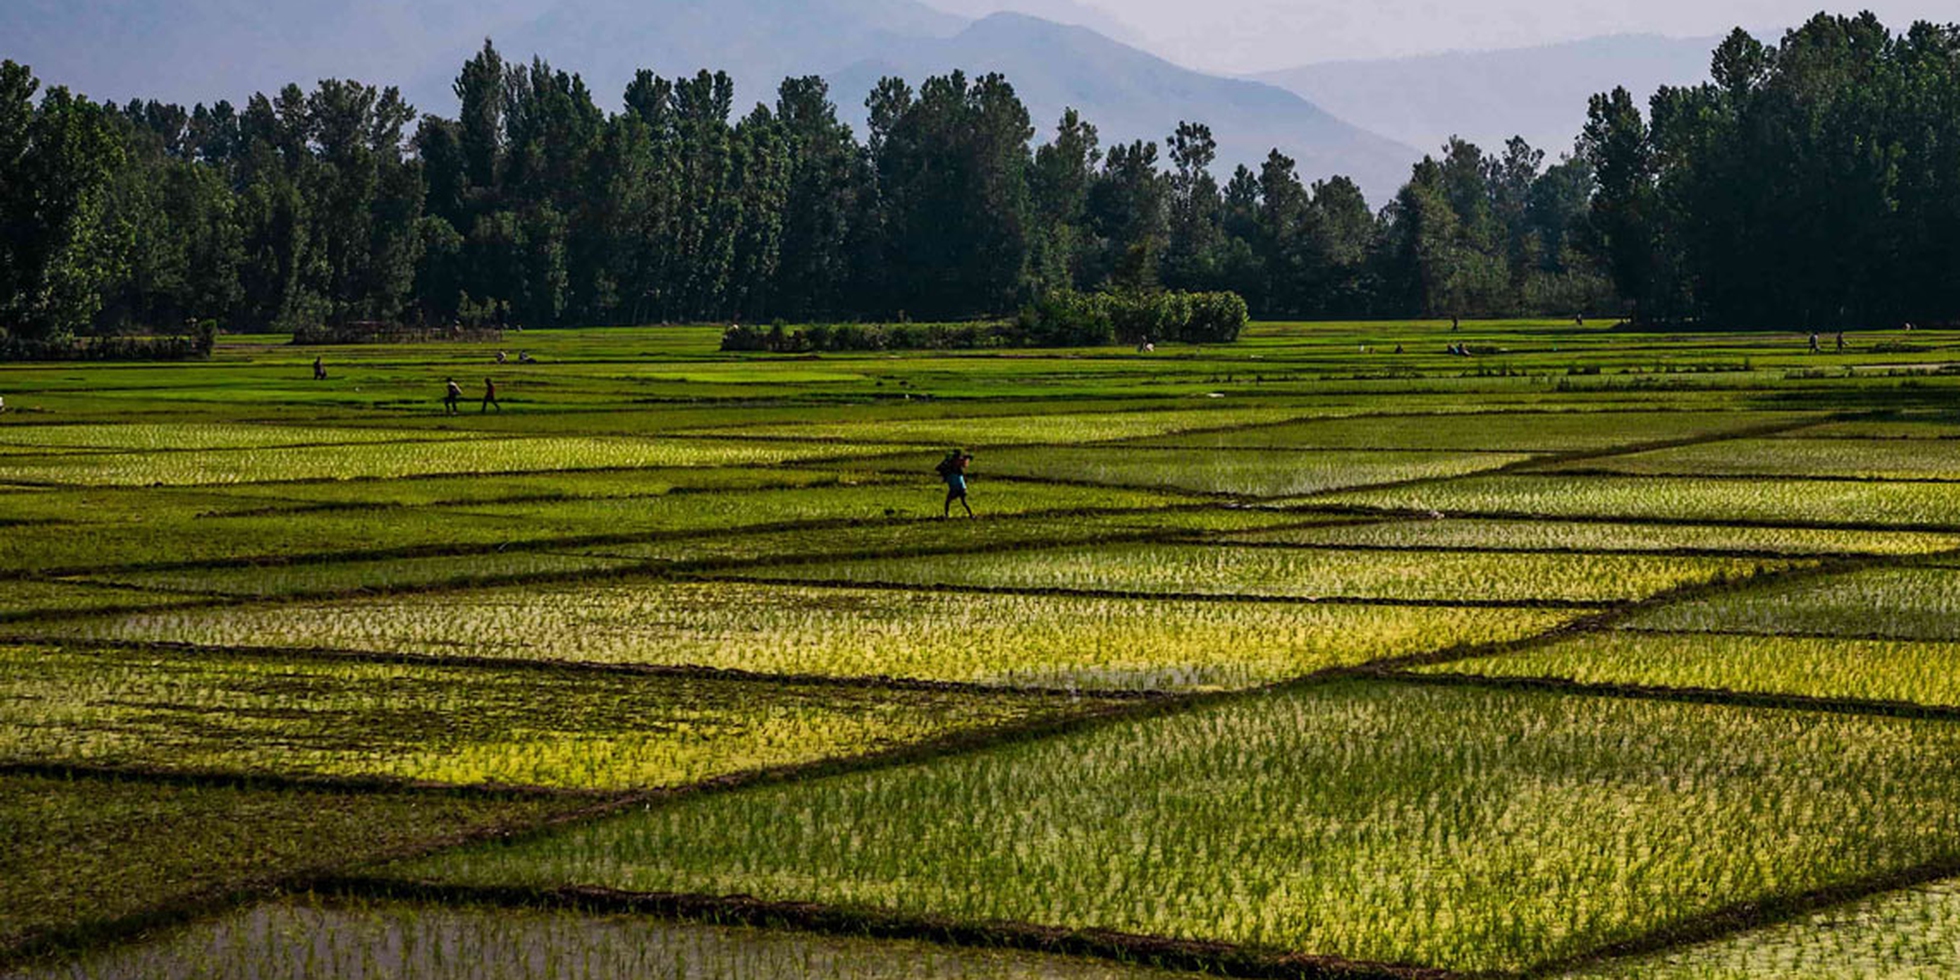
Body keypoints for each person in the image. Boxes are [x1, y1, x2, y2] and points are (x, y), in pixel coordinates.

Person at [937, 449, 974, 519]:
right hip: (962, 488)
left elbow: (940, 468)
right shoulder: (956, 469)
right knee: (964, 502)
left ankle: (947, 515)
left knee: (948, 502)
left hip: (955, 489)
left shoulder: (951, 469)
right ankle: (971, 515)